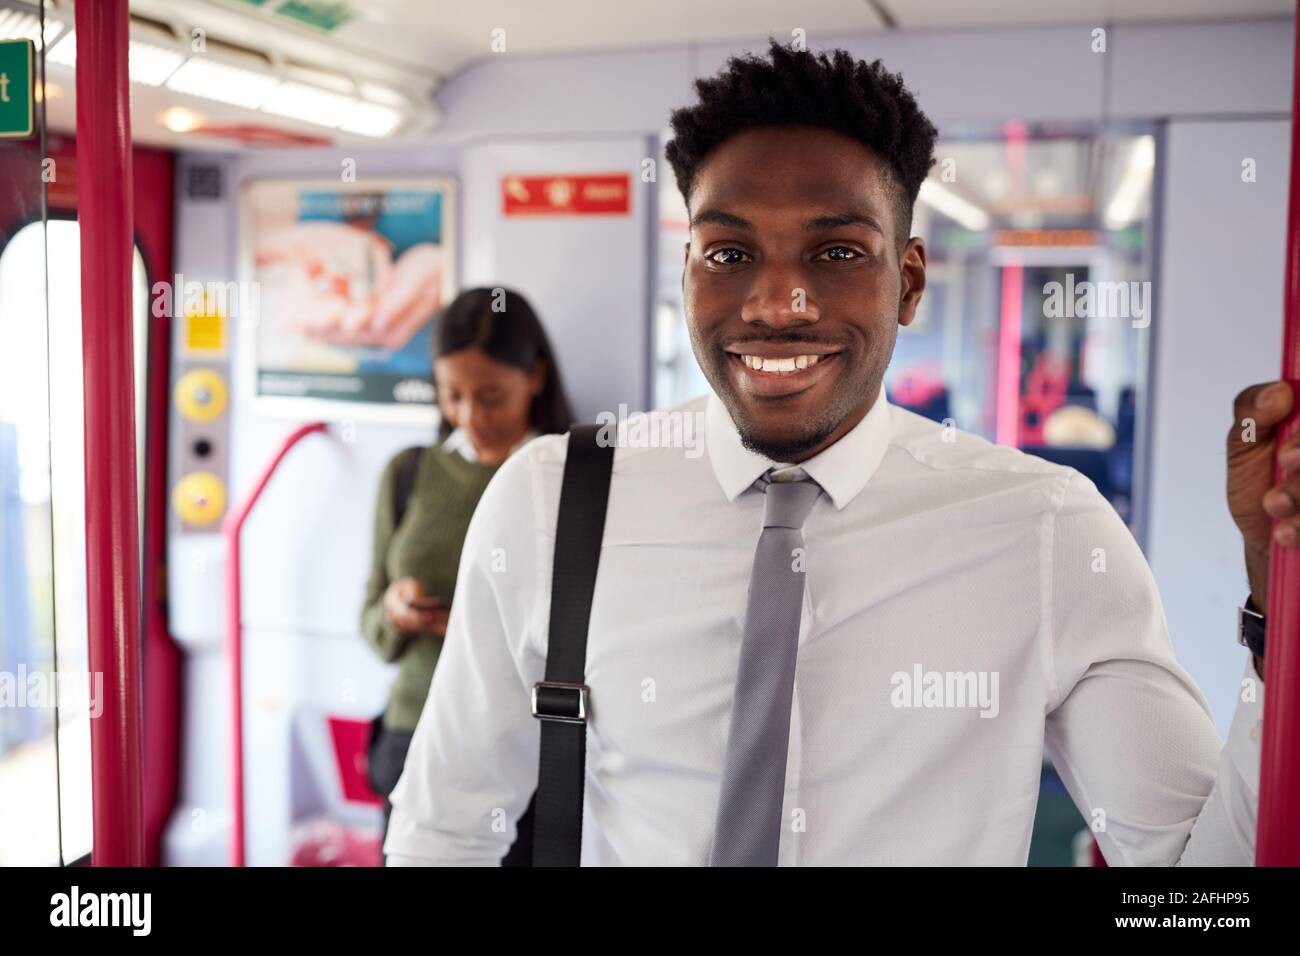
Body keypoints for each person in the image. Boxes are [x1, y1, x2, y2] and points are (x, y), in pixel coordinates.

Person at [383, 42, 1300, 865]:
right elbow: (447, 832)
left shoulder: (1047, 529)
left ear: (907, 281)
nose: (779, 303)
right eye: (730, 255)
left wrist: (1279, 604)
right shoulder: (554, 500)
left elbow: (1195, 882)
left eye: (834, 253)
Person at [360, 287, 574, 861]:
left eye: (491, 396)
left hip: (529, 748)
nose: (471, 417)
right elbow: (371, 627)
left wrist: (489, 625)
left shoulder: (575, 480)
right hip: (414, 730)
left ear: (535, 378)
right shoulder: (409, 474)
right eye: (452, 395)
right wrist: (396, 613)